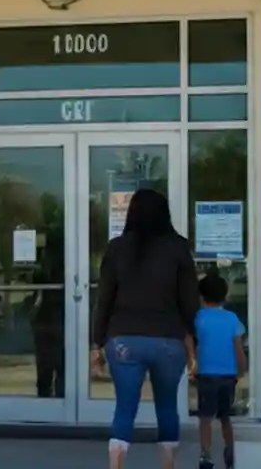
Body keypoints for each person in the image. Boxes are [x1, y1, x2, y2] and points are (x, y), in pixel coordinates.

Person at [90, 188, 201, 469]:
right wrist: (193, 340)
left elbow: (104, 299)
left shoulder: (116, 248)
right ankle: (167, 465)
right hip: (168, 339)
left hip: (123, 339)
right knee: (167, 408)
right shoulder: (178, 248)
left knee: (124, 409)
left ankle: (116, 466)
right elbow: (189, 301)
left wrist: (96, 343)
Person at [193, 273, 246, 469]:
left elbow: (195, 346)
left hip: (206, 374)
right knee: (225, 417)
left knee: (205, 418)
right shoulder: (231, 318)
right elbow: (237, 347)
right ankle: (230, 451)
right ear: (225, 296)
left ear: (201, 296)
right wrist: (241, 369)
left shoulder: (198, 318)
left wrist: (193, 365)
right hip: (227, 375)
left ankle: (206, 456)